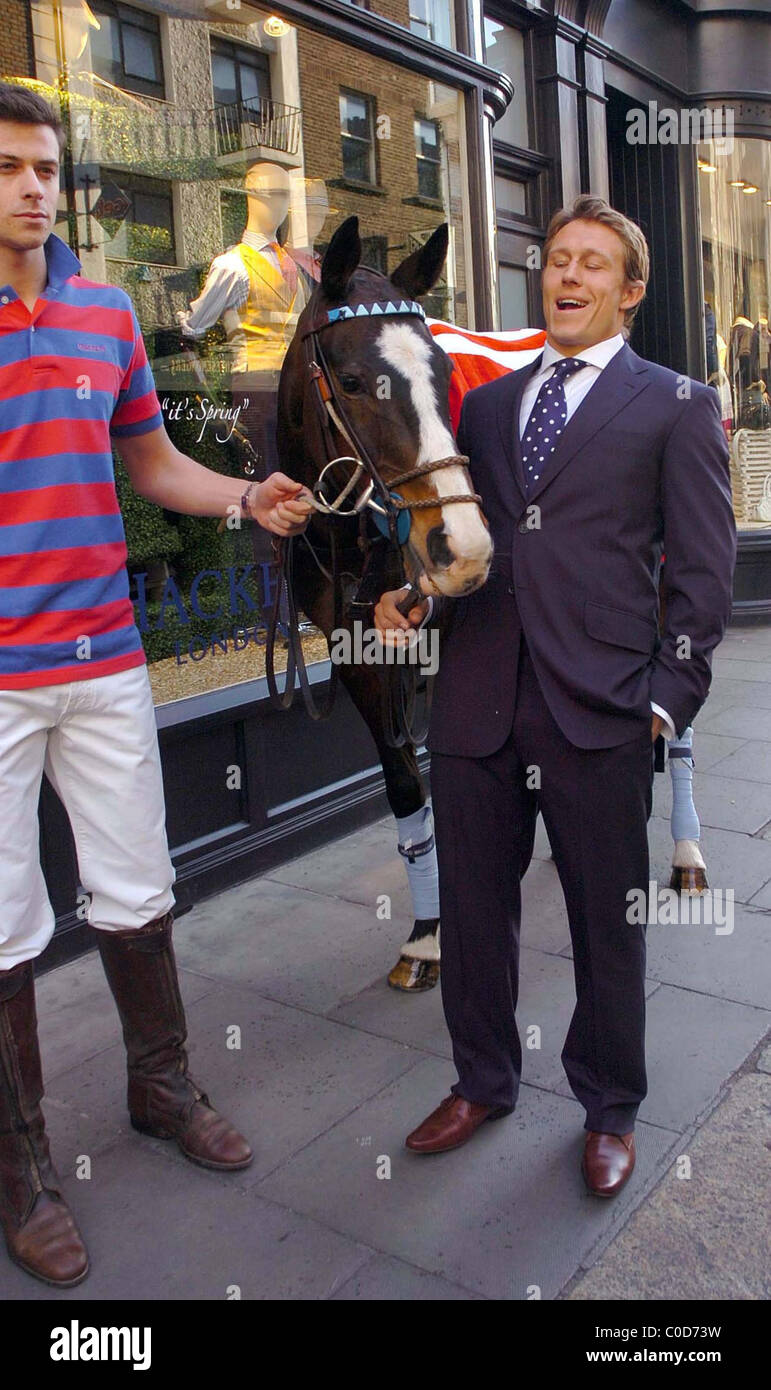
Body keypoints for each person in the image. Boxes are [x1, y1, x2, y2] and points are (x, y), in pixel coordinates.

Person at [0, 83, 312, 1288]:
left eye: (45, 164)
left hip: (105, 657)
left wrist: (244, 496)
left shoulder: (106, 312)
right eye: (12, 164)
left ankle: (160, 1088)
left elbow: (149, 459)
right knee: (9, 926)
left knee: (138, 887)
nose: (33, 183)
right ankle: (20, 1167)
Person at [375, 195, 736, 1197]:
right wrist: (416, 594)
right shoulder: (486, 410)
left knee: (604, 924)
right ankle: (482, 1080)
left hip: (602, 709)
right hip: (479, 706)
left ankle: (610, 1104)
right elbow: (467, 550)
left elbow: (705, 582)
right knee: (476, 917)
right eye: (556, 260)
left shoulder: (675, 404)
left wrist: (663, 704)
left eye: (591, 265)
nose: (566, 278)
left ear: (629, 292)